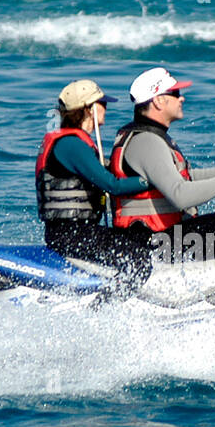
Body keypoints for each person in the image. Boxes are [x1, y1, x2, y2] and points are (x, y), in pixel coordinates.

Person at [108, 67, 215, 298]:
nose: (182, 98)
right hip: (155, 244)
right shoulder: (146, 142)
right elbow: (182, 195)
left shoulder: (152, 137)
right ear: (158, 101)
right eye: (176, 93)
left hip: (164, 236)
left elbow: (189, 177)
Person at [36, 79, 154, 295]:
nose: (106, 109)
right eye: (103, 104)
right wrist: (150, 181)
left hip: (75, 231)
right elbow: (113, 186)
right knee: (139, 259)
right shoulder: (71, 145)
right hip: (71, 234)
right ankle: (106, 309)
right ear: (89, 109)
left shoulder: (76, 143)